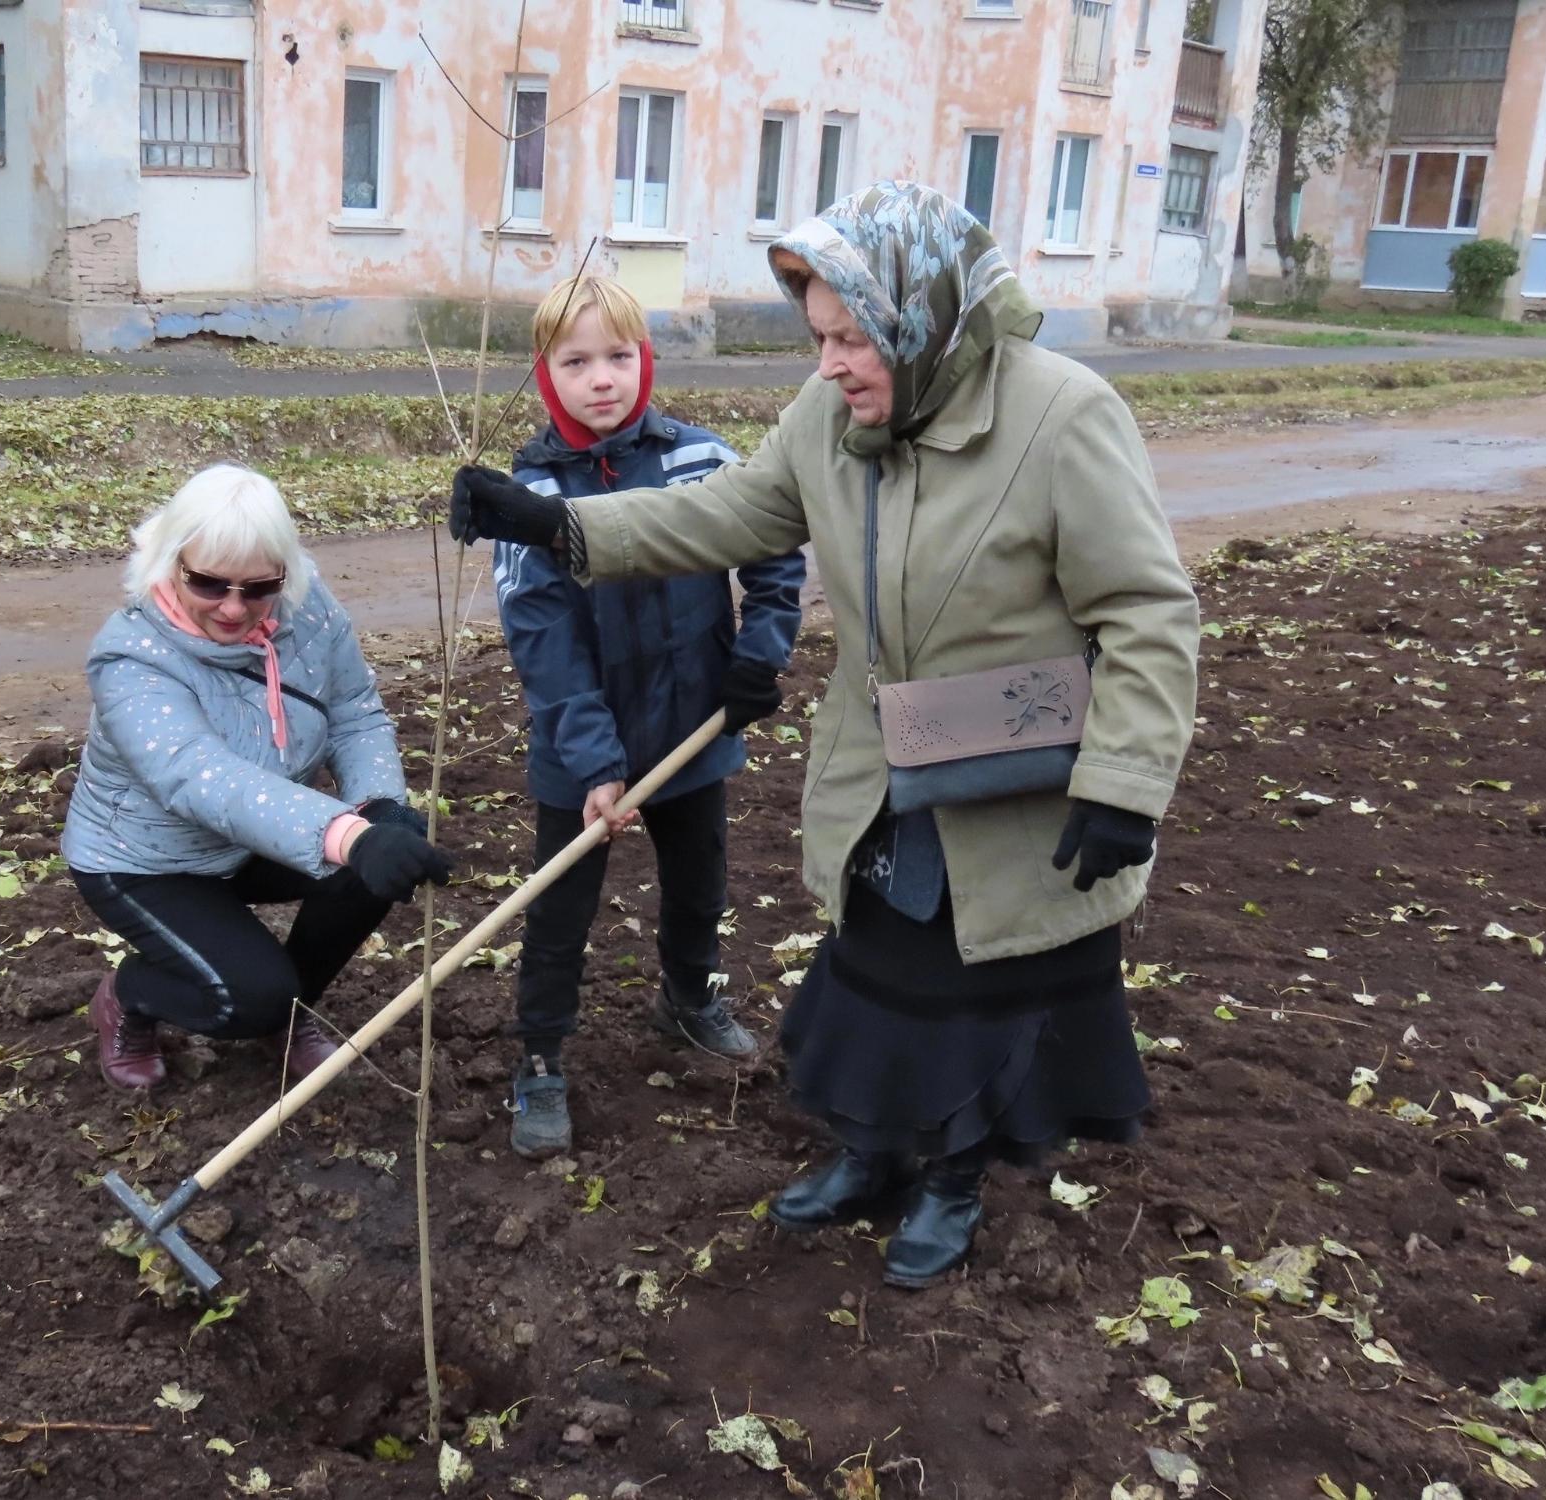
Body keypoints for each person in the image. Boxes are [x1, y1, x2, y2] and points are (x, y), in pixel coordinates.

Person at [448, 183, 1198, 1287]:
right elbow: (730, 515)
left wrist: (1125, 782)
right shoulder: (829, 419)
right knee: (881, 958)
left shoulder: (1059, 416)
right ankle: (873, 1153)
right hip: (884, 753)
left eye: (853, 339)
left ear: (922, 317)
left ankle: (949, 1182)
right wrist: (558, 525)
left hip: (1016, 766)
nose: (831, 364)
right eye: (819, 339)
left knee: (972, 974)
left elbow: (1145, 609)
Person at [493, 274, 806, 1159]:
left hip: (693, 732)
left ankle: (690, 995)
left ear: (647, 361)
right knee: (560, 912)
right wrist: (594, 761)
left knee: (700, 883)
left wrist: (759, 652)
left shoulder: (701, 459)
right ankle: (543, 1053)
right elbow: (542, 638)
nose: (604, 378)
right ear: (547, 374)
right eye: (578, 361)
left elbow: (776, 554)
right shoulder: (531, 496)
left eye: (620, 357)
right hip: (577, 747)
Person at [65, 464, 452, 1092]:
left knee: (392, 829)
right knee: (246, 998)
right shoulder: (130, 659)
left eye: (258, 587)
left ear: (285, 571)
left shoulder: (310, 609)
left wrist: (376, 808)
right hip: (148, 860)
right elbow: (198, 778)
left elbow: (354, 711)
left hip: (252, 838)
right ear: (172, 562)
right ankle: (131, 994)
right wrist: (346, 835)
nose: (234, 607)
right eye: (210, 584)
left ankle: (290, 1015)